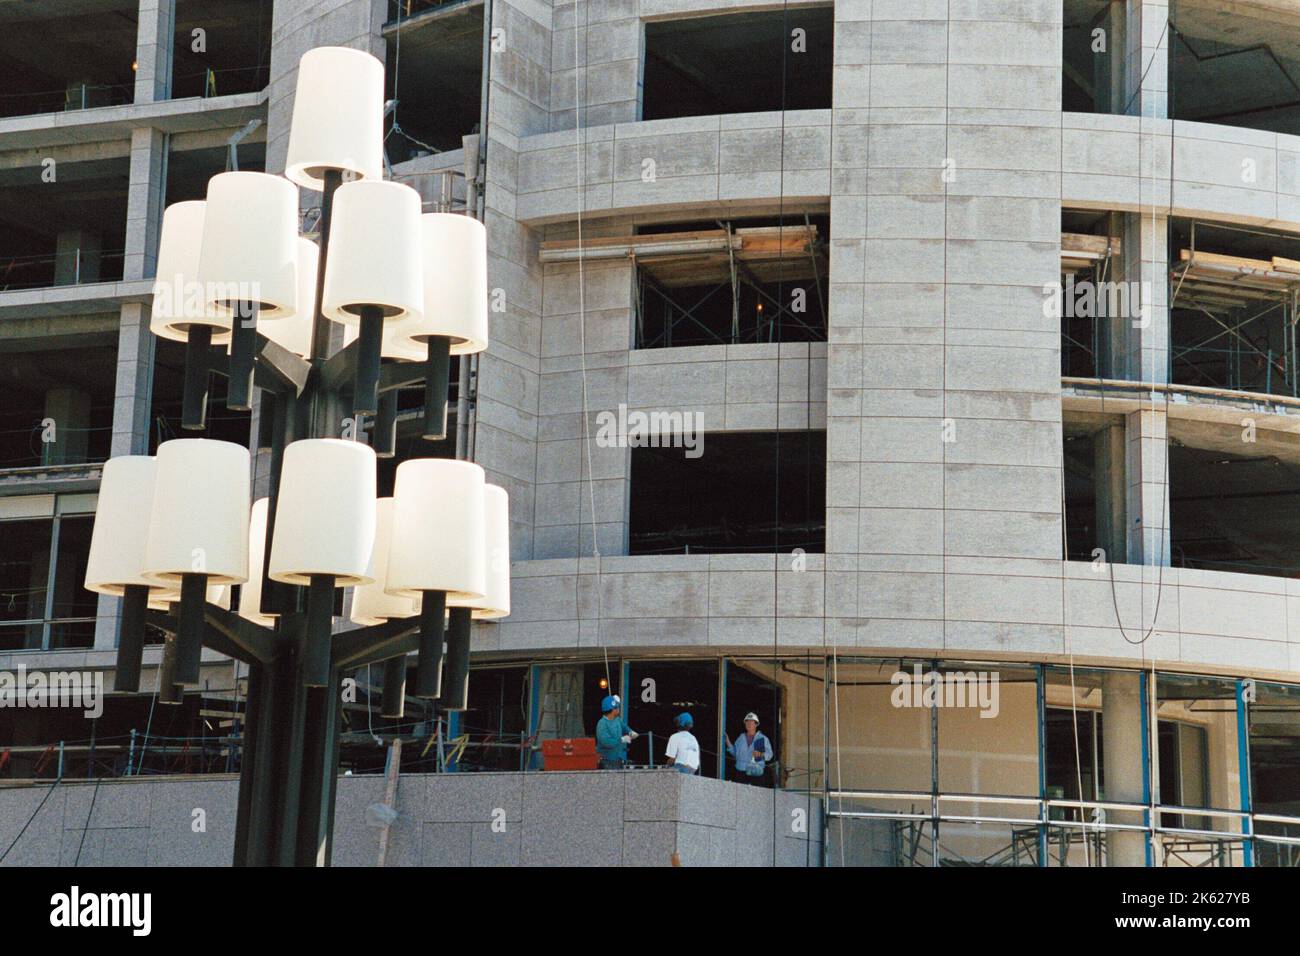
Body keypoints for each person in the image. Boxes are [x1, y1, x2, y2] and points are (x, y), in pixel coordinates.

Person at [725, 712, 773, 786]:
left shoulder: (762, 738)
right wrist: (728, 742)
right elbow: (735, 754)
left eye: (751, 722)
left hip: (756, 772)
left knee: (756, 795)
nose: (749, 724)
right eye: (747, 722)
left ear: (756, 724)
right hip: (741, 772)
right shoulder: (740, 738)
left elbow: (770, 755)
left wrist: (760, 754)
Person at [595, 694, 637, 769]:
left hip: (617, 760)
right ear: (612, 710)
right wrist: (621, 739)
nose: (618, 709)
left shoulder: (617, 720)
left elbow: (625, 727)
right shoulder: (602, 724)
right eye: (616, 707)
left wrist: (631, 732)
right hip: (605, 762)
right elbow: (607, 742)